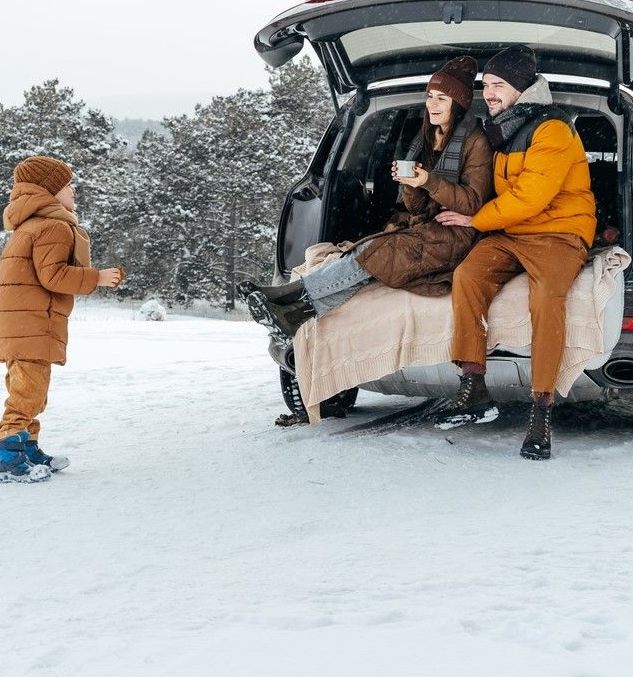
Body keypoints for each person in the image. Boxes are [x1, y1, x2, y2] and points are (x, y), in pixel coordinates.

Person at [238, 56, 493, 345]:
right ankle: (294, 316)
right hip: (426, 226)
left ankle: (288, 294)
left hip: (459, 235)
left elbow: (472, 202)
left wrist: (428, 180)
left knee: (373, 253)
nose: (432, 105)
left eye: (442, 99)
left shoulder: (476, 142)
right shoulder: (425, 139)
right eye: (430, 97)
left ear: (458, 103)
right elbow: (417, 208)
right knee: (371, 257)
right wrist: (410, 185)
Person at [435, 45, 596, 460]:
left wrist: (476, 221)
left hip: (559, 233)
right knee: (468, 275)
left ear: (522, 89)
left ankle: (541, 409)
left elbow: (530, 196)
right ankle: (474, 383)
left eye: (498, 85)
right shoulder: (501, 128)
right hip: (513, 232)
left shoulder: (553, 130)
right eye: (486, 85)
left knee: (545, 298)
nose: (489, 93)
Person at [0, 156, 122, 483]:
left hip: (24, 325)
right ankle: (8, 458)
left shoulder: (29, 225)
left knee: (32, 391)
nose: (73, 190)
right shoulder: (53, 226)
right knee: (27, 394)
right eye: (66, 185)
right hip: (33, 324)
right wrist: (97, 277)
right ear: (48, 190)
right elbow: (54, 276)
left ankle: (29, 449)